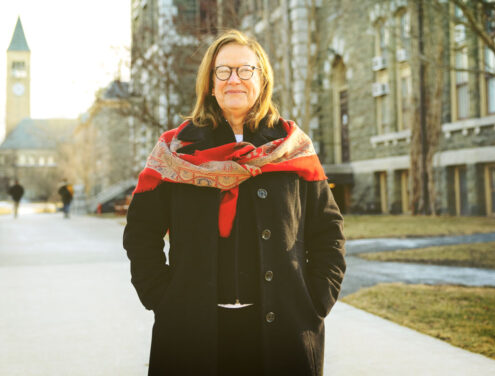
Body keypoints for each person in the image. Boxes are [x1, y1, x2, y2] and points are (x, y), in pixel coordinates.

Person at [123, 30, 346, 376]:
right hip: (191, 332)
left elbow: (328, 231)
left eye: (245, 70)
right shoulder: (175, 150)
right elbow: (141, 232)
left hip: (284, 331)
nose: (234, 79)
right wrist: (161, 298)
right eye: (223, 71)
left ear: (262, 79)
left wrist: (317, 299)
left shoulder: (293, 147)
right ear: (210, 84)